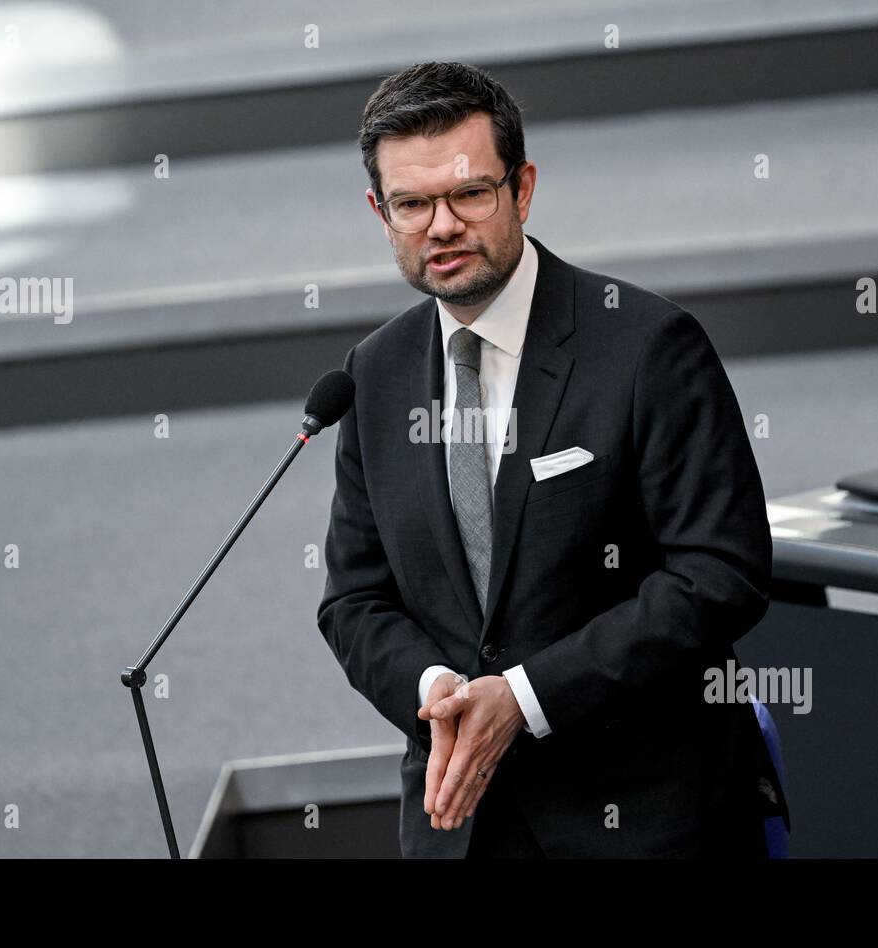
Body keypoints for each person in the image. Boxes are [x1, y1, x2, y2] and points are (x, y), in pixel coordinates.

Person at [318, 61, 786, 858]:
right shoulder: (373, 374)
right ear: (380, 211)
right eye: (412, 204)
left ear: (522, 189)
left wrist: (527, 698)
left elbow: (721, 572)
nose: (442, 226)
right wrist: (437, 694)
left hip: (646, 821)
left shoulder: (645, 347)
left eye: (470, 194)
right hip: (460, 826)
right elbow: (355, 600)